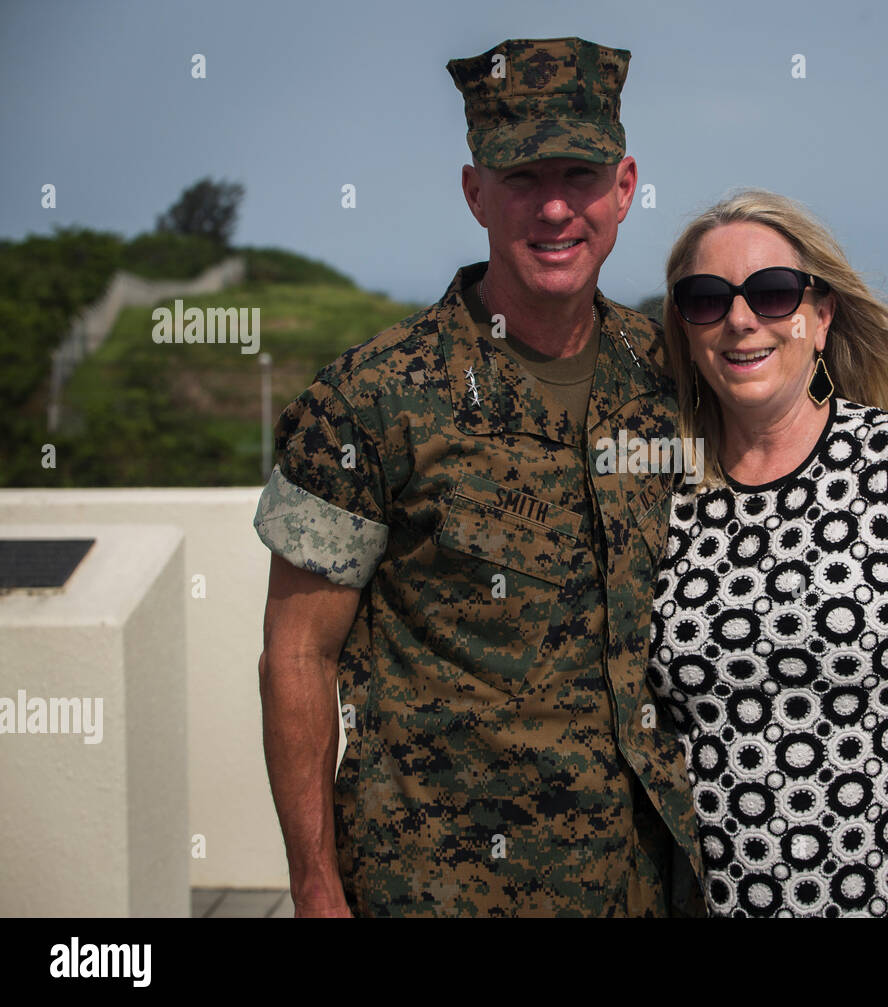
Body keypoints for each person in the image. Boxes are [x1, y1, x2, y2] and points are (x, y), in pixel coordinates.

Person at [252, 36, 703, 917]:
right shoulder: (370, 399)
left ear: (625, 187)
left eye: (579, 174)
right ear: (474, 193)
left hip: (647, 879)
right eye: (523, 179)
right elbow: (296, 655)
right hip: (439, 887)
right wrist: (314, 884)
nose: (555, 208)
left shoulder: (673, 376)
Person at [649, 189, 888, 917]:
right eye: (706, 298)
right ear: (685, 327)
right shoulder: (664, 490)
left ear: (820, 317)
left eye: (772, 292)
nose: (739, 318)